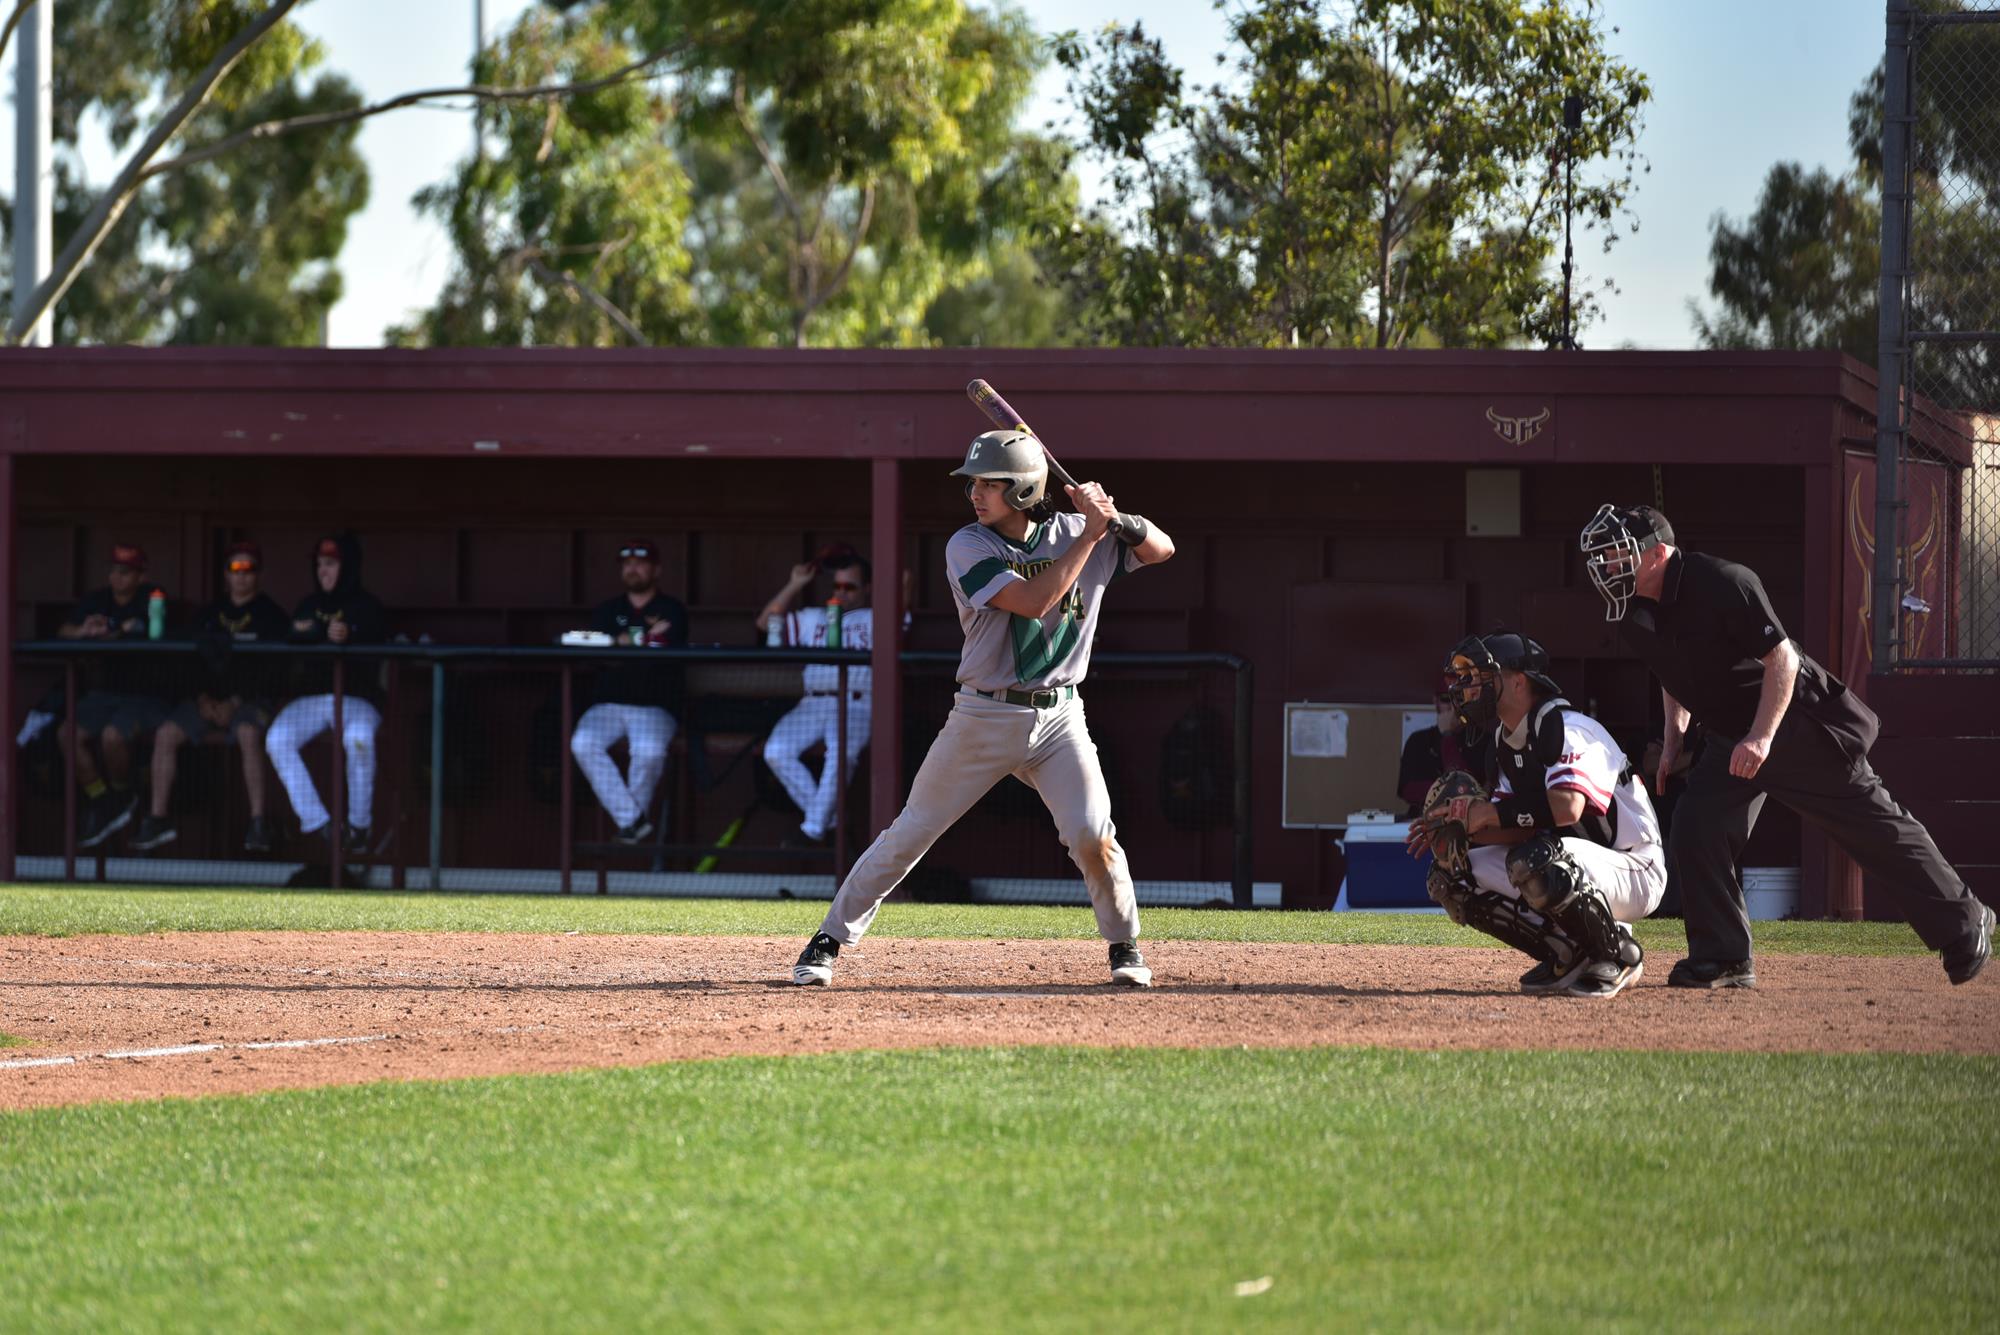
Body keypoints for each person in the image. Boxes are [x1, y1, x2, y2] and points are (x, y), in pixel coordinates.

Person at [790, 430, 1176, 987]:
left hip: (1061, 716)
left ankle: (1124, 947)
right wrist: (1090, 536)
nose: (976, 493)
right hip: (984, 715)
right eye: (973, 483)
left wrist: (1117, 519)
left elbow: (1161, 549)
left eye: (991, 484)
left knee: (1093, 834)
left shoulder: (1075, 530)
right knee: (912, 831)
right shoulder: (969, 545)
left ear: (1023, 490)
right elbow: (1030, 601)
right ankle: (828, 940)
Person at [1579, 503, 1992, 987]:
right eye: (1604, 557)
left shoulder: (1723, 581)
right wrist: (1673, 739)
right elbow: (1670, 672)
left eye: (1618, 555)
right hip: (1731, 733)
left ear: (1658, 553)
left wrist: (1761, 737)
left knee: (1870, 824)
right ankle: (1724, 958)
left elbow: (1783, 660)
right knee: (1696, 825)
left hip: (1794, 722)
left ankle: (1966, 921)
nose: (1607, 567)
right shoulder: (1632, 609)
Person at [1406, 632, 1664, 999]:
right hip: (1574, 861)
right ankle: (1567, 953)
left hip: (1635, 866)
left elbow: (1567, 807)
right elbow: (1518, 828)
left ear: (1518, 680)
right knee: (1453, 876)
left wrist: (1486, 813)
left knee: (1539, 860)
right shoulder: (1504, 742)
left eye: (1479, 675)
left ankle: (1617, 953)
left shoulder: (1569, 728)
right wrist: (1462, 829)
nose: (1468, 687)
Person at [133, 542, 291, 854]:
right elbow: (188, 663)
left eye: (249, 570)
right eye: (235, 569)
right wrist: (203, 699)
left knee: (248, 733)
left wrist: (234, 702)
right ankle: (157, 819)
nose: (242, 576)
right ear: (226, 574)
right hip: (205, 701)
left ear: (259, 575)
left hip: (250, 701)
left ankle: (258, 823)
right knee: (165, 734)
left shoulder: (271, 615)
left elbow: (275, 672)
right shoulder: (209, 613)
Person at [755, 553, 909, 846]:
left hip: (858, 703)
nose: (840, 592)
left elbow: (901, 615)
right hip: (813, 703)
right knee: (776, 751)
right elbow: (766, 623)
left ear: (866, 589)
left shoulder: (878, 617)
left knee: (840, 753)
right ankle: (832, 819)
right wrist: (794, 584)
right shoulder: (814, 616)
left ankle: (812, 829)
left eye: (849, 587)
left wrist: (904, 585)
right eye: (837, 586)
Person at [266, 533, 389, 856]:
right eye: (320, 564)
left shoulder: (367, 606)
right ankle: (320, 823)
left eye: (331, 564)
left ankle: (359, 826)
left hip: (357, 700)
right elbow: (295, 632)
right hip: (311, 700)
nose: (324, 571)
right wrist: (321, 634)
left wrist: (351, 634)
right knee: (277, 739)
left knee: (358, 740)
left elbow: (379, 635)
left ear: (347, 567)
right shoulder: (309, 605)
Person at [571, 539, 689, 843]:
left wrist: (625, 643)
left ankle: (632, 823)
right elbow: (598, 653)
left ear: (656, 569)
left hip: (655, 706)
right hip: (608, 705)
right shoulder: (608, 609)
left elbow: (662, 651)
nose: (632, 569)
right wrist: (639, 640)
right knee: (583, 742)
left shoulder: (672, 608)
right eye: (626, 565)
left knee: (648, 752)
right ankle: (633, 820)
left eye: (639, 563)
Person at [56, 542, 170, 848]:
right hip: (103, 693)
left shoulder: (153, 597)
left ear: (140, 575)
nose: (117, 577)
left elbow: (144, 629)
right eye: (114, 570)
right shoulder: (97, 599)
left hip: (144, 695)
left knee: (112, 737)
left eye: (126, 572)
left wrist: (112, 631)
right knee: (67, 734)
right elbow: (63, 630)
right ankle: (103, 799)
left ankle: (122, 793)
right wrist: (83, 632)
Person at [1396, 672, 1494, 816]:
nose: (1453, 708)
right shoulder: (1418, 740)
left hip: (1467, 822)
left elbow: (1466, 790)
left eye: (1459, 699)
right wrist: (1448, 789)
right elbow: (1407, 790)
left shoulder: (1483, 740)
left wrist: (1448, 736)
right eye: (1446, 699)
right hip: (1424, 819)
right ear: (1435, 701)